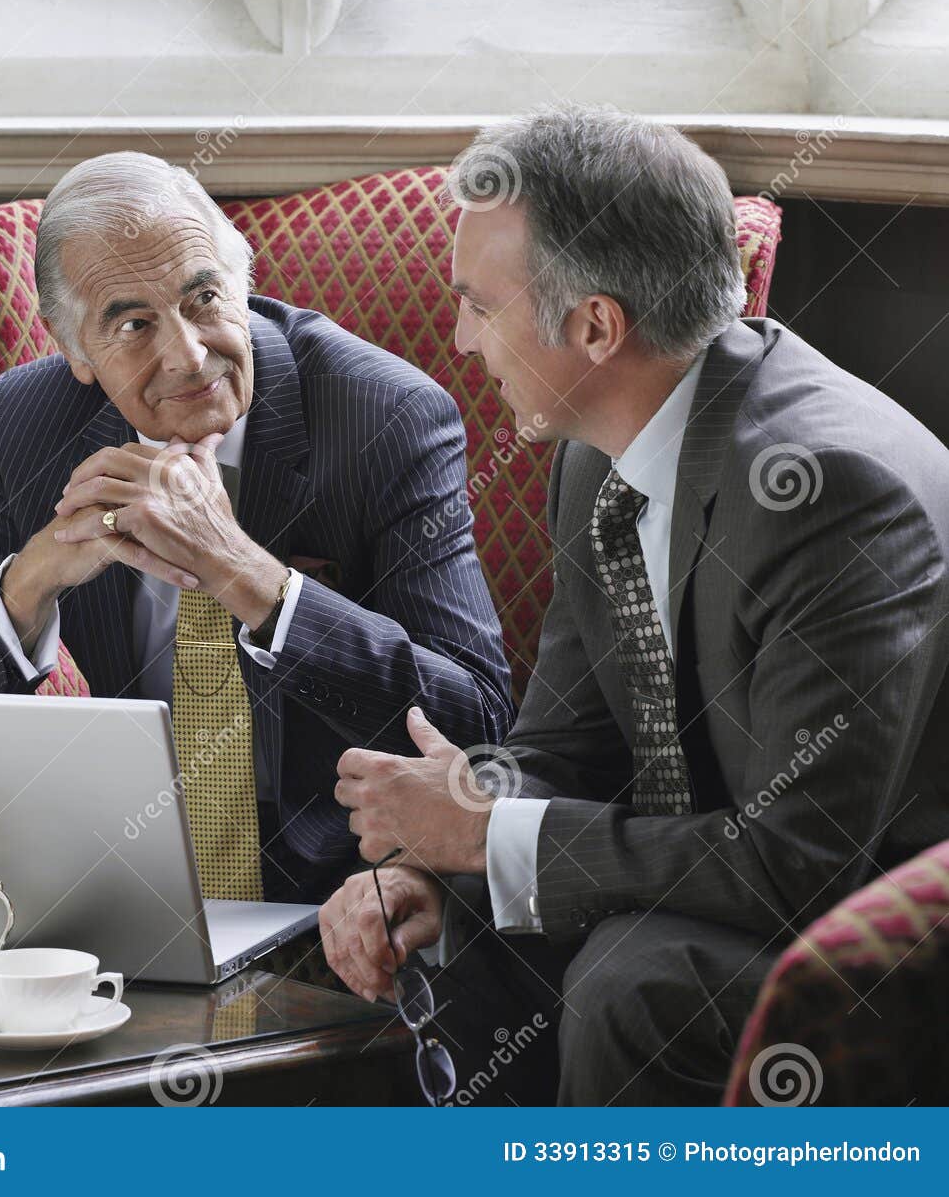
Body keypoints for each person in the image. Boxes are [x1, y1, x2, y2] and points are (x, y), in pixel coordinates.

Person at [319, 106, 949, 1104]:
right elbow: (569, 749)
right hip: (742, 880)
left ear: (596, 327)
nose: (460, 340)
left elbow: (802, 862)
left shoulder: (829, 490)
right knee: (466, 928)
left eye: (478, 306)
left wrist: (484, 837)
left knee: (636, 982)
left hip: (889, 936)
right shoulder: (597, 454)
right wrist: (440, 860)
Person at [0, 152, 512, 907]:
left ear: (242, 288)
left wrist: (246, 575)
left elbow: (479, 727)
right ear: (74, 349)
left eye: (204, 299)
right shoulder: (33, 420)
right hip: (115, 879)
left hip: (346, 885)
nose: (187, 356)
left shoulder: (385, 416)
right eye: (133, 323)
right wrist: (31, 581)